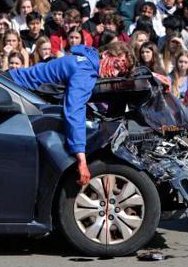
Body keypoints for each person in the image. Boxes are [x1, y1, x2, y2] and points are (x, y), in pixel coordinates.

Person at [9, 41, 133, 185]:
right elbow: (74, 111)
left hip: (16, 85)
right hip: (11, 89)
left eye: (121, 72)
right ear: (105, 54)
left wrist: (154, 76)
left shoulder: (87, 59)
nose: (115, 73)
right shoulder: (85, 71)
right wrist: (82, 160)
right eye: (116, 66)